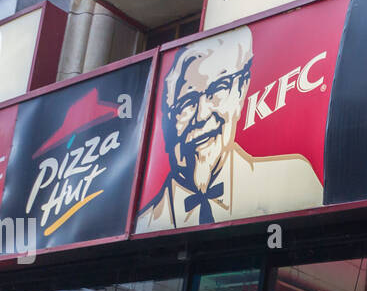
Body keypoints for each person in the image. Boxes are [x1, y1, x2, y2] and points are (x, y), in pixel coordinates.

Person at [134, 27, 322, 231]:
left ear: (241, 92)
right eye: (187, 102)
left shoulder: (295, 179)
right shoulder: (143, 224)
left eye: (219, 89)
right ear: (168, 120)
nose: (202, 114)